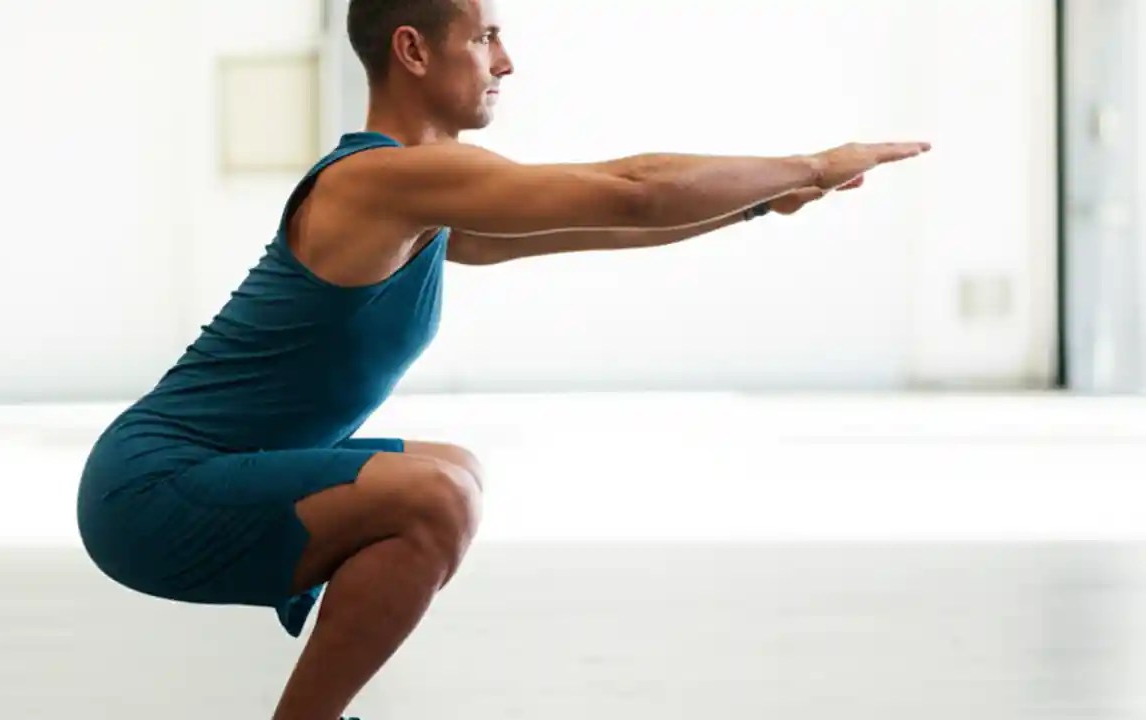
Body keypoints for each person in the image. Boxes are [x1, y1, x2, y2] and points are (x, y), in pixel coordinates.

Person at [75, 0, 931, 718]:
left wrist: (761, 203)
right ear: (412, 49)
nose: (506, 62)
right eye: (485, 36)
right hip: (150, 491)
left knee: (455, 472)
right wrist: (814, 161)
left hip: (183, 475)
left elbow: (604, 224)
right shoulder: (381, 183)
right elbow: (634, 189)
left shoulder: (413, 199)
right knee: (434, 498)